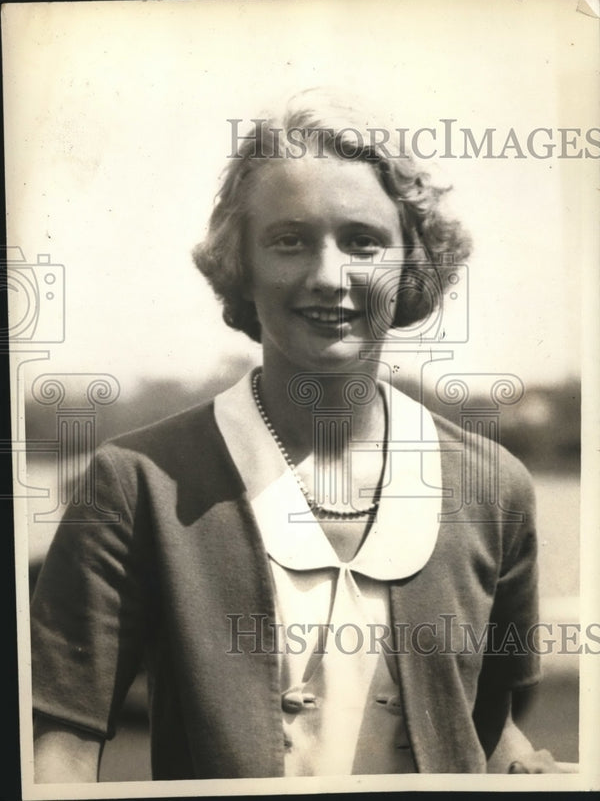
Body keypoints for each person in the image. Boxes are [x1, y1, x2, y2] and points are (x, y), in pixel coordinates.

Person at [31, 90, 562, 780]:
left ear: (411, 266)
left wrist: (525, 767)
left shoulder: (494, 487)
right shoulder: (135, 483)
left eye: (363, 242)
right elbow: (58, 751)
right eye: (288, 241)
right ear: (241, 265)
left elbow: (491, 728)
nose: (327, 277)